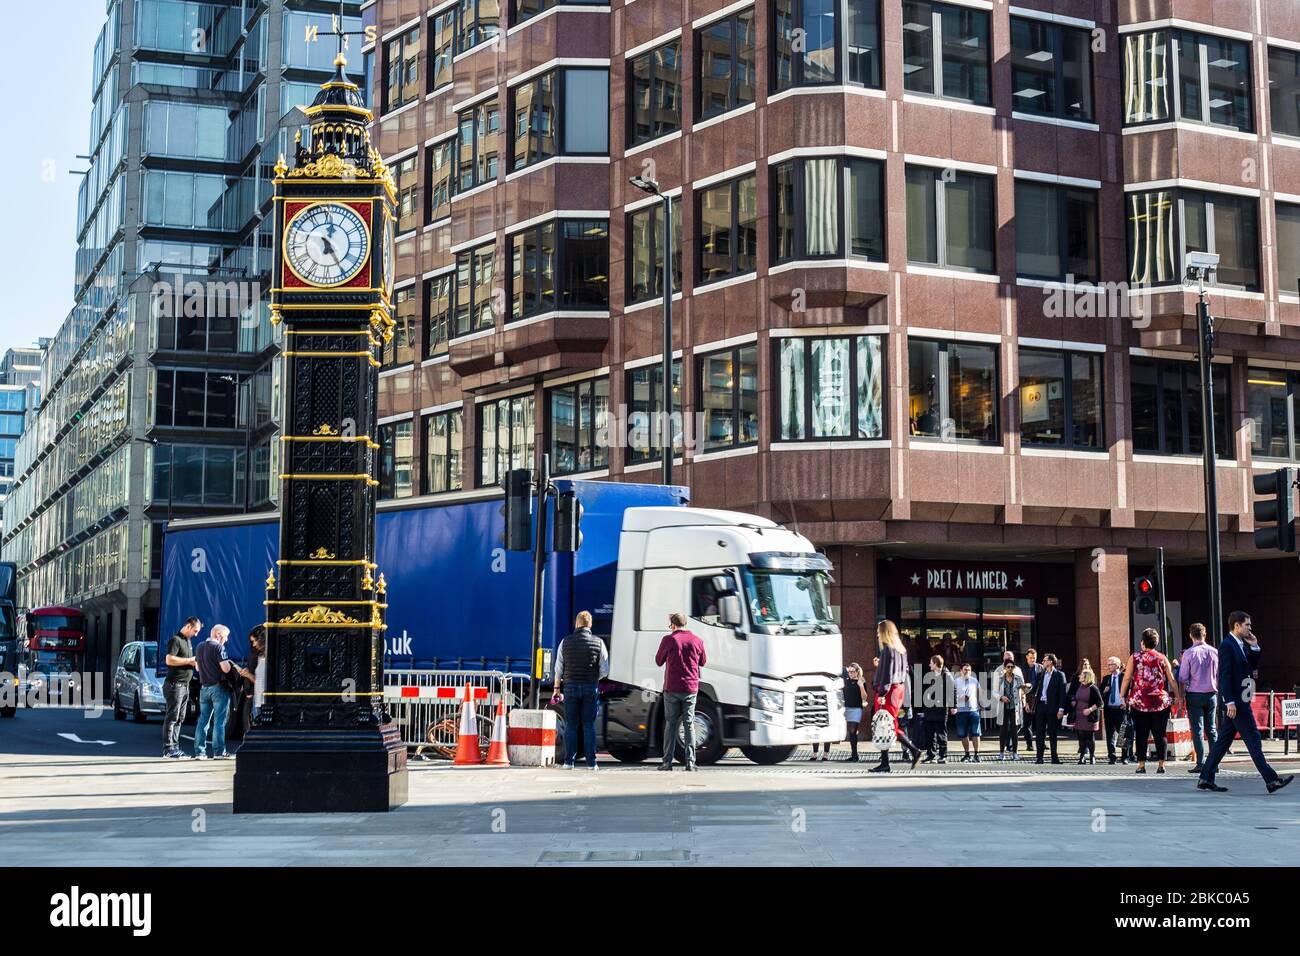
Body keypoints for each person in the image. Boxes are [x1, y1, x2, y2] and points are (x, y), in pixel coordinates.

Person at [1198, 611, 1294, 795]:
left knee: (1222, 743)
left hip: (1241, 700)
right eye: (1247, 625)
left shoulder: (1241, 644)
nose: (1250, 628)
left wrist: (1255, 646)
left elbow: (1252, 666)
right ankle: (1272, 779)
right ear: (1237, 625)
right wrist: (1230, 701)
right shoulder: (1228, 645)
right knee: (1253, 739)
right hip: (1238, 703)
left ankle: (1205, 777)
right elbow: (1224, 676)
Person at [554, 611, 609, 770]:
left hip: (570, 687)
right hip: (590, 688)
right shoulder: (598, 643)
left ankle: (568, 762)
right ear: (590, 625)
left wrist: (557, 689)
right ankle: (591, 763)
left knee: (571, 725)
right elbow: (605, 670)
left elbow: (558, 668)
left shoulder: (565, 642)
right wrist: (593, 677)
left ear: (576, 624)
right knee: (588, 725)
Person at [1121, 628, 1179, 775]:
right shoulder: (1162, 658)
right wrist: (1177, 696)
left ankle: (1141, 764)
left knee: (1141, 733)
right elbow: (1171, 679)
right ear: (1156, 642)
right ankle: (1161, 764)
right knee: (1160, 734)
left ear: (1142, 643)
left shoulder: (1134, 657)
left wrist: (1122, 695)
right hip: (1159, 701)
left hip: (1139, 701)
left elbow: (1127, 678)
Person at [656, 611, 707, 772]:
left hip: (671, 688)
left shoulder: (669, 640)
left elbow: (658, 661)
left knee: (671, 724)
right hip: (691, 688)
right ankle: (690, 763)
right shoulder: (697, 640)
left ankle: (667, 763)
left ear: (673, 625)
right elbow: (703, 661)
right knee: (689, 724)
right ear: (686, 624)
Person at [869, 620, 923, 772]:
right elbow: (901, 671)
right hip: (898, 689)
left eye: (879, 631)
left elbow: (888, 673)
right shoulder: (901, 650)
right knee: (887, 724)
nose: (877, 634)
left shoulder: (888, 649)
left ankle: (913, 751)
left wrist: (882, 692)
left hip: (888, 689)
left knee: (887, 724)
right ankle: (887, 761)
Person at [193, 625, 250, 760]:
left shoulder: (199, 646)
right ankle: (219, 752)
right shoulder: (219, 647)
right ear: (218, 635)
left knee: (203, 721)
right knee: (219, 722)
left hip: (204, 688)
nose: (226, 640)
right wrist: (232, 666)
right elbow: (225, 669)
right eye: (225, 636)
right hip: (219, 688)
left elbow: (197, 667)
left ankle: (200, 752)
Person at [1178, 623, 1219, 775]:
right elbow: (1219, 674)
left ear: (1191, 635)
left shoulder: (1189, 653)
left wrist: (1182, 697)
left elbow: (1183, 676)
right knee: (1212, 729)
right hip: (1211, 694)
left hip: (1194, 694)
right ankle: (1215, 762)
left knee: (1198, 730)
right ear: (1205, 634)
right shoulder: (1214, 652)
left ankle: (1201, 762)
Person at [162, 617, 201, 759]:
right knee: (172, 716)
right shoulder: (176, 640)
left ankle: (175, 747)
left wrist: (193, 663)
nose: (196, 634)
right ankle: (168, 749)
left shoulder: (188, 641)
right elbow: (169, 659)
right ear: (188, 626)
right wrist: (189, 660)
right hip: (175, 685)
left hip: (184, 685)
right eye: (195, 631)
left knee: (180, 718)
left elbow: (185, 661)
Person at [1031, 653, 1068, 764]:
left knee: (1052, 733)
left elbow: (1062, 694)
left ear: (1051, 661)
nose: (1043, 662)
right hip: (1041, 706)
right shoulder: (1041, 674)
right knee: (1039, 733)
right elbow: (1036, 688)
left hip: (1053, 707)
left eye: (1045, 660)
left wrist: (1061, 709)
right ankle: (1039, 757)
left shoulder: (1059, 675)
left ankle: (1054, 757)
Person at [921, 655, 954, 764]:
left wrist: (954, 706)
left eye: (931, 662)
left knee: (941, 733)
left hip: (941, 708)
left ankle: (943, 755)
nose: (929, 664)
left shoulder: (947, 675)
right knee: (929, 733)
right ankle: (931, 755)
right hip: (930, 707)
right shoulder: (930, 675)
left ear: (935, 663)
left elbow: (953, 690)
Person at [1099, 656, 1127, 765]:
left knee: (1122, 734)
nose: (1108, 666)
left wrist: (1126, 703)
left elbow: (1129, 691)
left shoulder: (1124, 677)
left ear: (1117, 665)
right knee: (1110, 734)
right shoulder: (1106, 678)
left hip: (1120, 709)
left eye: (1110, 664)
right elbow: (1099, 694)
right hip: (1109, 709)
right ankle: (1112, 756)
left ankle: (1124, 756)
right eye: (1108, 664)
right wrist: (1104, 691)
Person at [1072, 668, 1103, 764]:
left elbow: (1100, 702)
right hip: (1079, 715)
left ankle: (1092, 756)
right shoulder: (1080, 686)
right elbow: (1076, 696)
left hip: (1089, 715)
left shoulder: (1093, 688)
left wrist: (1089, 710)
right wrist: (1073, 701)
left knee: (1089, 736)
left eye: (1081, 675)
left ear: (1086, 677)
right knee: (1081, 736)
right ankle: (1082, 756)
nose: (1079, 676)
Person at [953, 662, 982, 762]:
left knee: (976, 733)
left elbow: (979, 692)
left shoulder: (974, 681)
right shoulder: (956, 681)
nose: (967, 671)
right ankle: (967, 754)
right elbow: (951, 696)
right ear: (961, 671)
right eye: (965, 669)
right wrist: (960, 698)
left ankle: (976, 754)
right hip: (961, 711)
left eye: (969, 670)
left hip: (973, 710)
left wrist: (979, 703)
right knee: (963, 734)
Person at [996, 659, 1024, 761]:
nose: (1010, 669)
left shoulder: (1018, 678)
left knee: (1014, 731)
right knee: (1003, 731)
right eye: (1008, 667)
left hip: (1014, 707)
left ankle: (1015, 753)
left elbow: (1024, 690)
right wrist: (1001, 697)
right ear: (1004, 668)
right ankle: (1001, 753)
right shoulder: (1000, 679)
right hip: (1003, 707)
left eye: (1012, 667)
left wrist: (1027, 687)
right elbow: (994, 692)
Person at [842, 662, 869, 762]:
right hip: (846, 708)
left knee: (853, 731)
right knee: (851, 732)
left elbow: (865, 698)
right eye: (849, 672)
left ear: (857, 672)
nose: (851, 674)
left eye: (853, 672)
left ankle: (855, 755)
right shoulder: (846, 681)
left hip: (856, 709)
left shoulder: (861, 680)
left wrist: (861, 686)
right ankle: (854, 755)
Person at [1021, 648, 1043, 754]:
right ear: (1027, 657)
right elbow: (1021, 685)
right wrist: (1025, 701)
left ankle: (1041, 742)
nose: (1032, 659)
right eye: (1030, 657)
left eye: (1034, 657)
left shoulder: (1040, 668)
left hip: (1038, 697)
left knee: (1041, 722)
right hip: (1027, 697)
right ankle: (1029, 744)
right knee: (1027, 723)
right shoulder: (1022, 668)